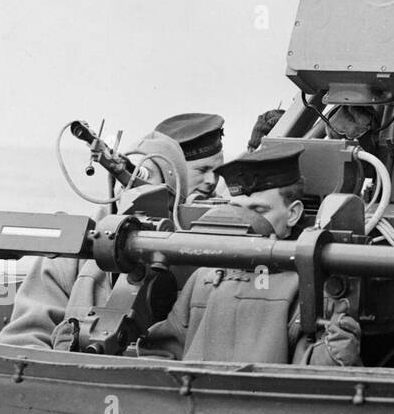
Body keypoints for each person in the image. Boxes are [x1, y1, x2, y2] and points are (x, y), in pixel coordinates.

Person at [0, 118, 222, 350]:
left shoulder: (202, 262)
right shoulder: (68, 256)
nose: (131, 190)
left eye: (146, 181)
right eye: (126, 178)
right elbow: (24, 340)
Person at [141, 146, 361, 366]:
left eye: (258, 210)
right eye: (236, 208)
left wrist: (334, 351)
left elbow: (312, 378)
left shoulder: (309, 287)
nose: (245, 220)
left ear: (292, 214)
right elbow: (163, 354)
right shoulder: (203, 278)